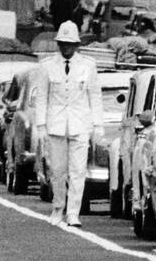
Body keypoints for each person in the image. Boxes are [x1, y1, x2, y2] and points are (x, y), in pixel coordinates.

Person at [32, 20, 104, 228]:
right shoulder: (46, 66)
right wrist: (41, 126)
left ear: (76, 45)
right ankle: (58, 207)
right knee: (57, 170)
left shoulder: (88, 66)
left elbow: (95, 96)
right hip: (56, 124)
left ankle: (73, 212)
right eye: (62, 43)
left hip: (80, 124)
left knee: (78, 171)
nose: (66, 47)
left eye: (70, 43)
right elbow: (42, 98)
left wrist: (97, 125)